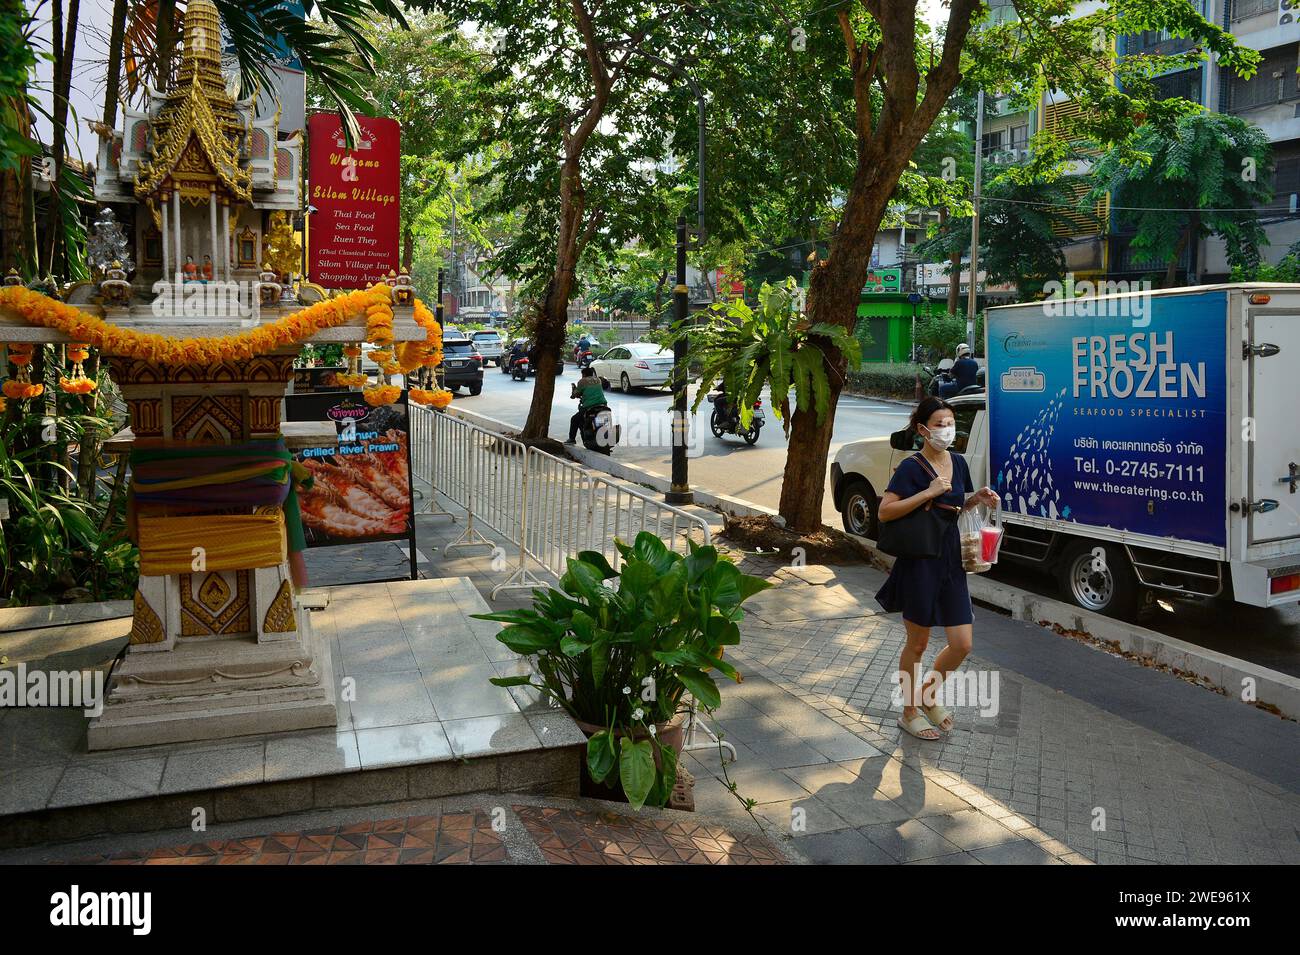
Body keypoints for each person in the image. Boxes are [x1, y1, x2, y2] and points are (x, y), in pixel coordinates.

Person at [875, 396, 999, 740]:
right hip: (920, 563)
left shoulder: (958, 462)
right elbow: (886, 511)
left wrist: (977, 499)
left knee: (962, 643)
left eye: (950, 423)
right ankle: (909, 711)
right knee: (917, 644)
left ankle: (928, 693)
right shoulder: (912, 468)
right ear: (922, 429)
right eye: (940, 424)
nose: (947, 429)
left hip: (952, 560)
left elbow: (956, 505)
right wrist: (926, 493)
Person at [565, 367, 607, 444]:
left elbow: (576, 394)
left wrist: (574, 393)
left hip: (589, 407)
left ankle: (572, 439)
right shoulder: (598, 380)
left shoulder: (582, 381)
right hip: (603, 406)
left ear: (584, 374)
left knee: (574, 419)